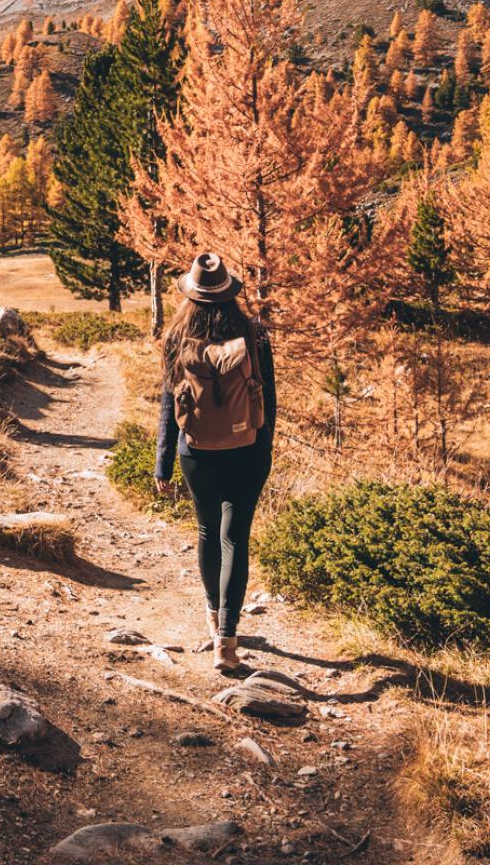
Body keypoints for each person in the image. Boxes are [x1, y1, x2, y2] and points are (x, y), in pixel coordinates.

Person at [153, 252, 276, 671]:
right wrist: (265, 450)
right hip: (247, 449)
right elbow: (269, 399)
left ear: (191, 294)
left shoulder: (175, 336)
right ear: (228, 291)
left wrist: (162, 463)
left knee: (207, 531)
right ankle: (227, 641)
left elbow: (168, 404)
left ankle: (212, 617)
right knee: (235, 539)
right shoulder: (253, 332)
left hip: (195, 451)